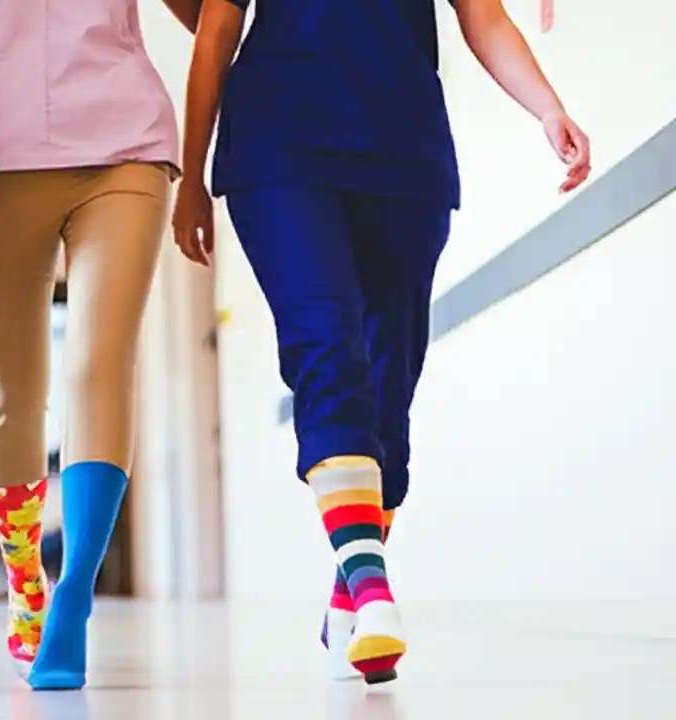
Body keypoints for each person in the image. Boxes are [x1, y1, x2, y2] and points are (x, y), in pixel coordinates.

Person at [173, 0, 591, 684]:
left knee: (389, 384)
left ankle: (349, 589)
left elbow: (482, 16)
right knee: (327, 348)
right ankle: (372, 591)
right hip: (280, 148)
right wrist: (191, 175)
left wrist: (547, 109)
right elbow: (215, 32)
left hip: (404, 154)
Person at [0, 0, 201, 691]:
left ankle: (73, 590)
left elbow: (205, 15)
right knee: (10, 396)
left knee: (100, 366)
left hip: (124, 140)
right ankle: (25, 582)